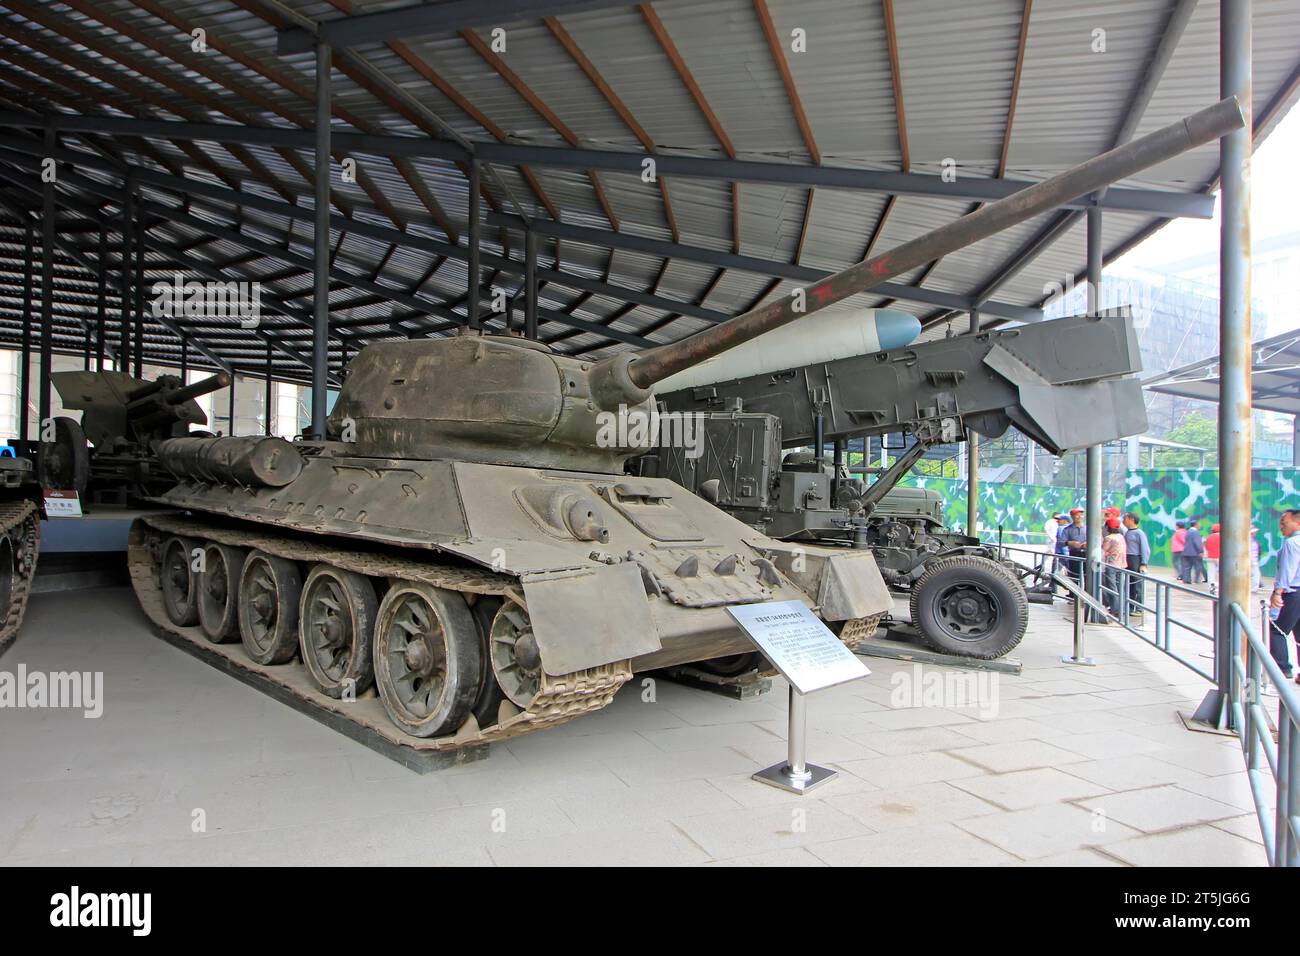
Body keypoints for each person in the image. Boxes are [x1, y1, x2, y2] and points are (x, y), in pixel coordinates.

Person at [1267, 509, 1300, 682]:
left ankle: (1281, 669)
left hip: (1293, 592)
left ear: (1297, 522)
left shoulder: (1292, 543)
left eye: (1284, 523)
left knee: (1277, 630)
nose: (1281, 527)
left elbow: (1288, 570)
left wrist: (1278, 592)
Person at [1123, 512, 1150, 619]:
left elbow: (1145, 549)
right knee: (1130, 584)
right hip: (1128, 559)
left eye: (1125, 518)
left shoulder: (1139, 533)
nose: (1123, 520)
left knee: (1137, 584)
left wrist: (1143, 563)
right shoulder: (1127, 532)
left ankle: (1139, 608)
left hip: (1136, 559)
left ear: (1131, 519)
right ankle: (1130, 606)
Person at [1102, 517, 1127, 616]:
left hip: (1111, 564)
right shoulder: (1121, 536)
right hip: (1122, 565)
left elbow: (1103, 550)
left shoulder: (1109, 538)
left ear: (1108, 527)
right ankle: (1122, 609)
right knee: (1121, 586)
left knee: (1112, 586)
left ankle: (1115, 609)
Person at [1060, 508, 1087, 585]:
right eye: (1077, 515)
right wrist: (1070, 543)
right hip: (1074, 554)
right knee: (1074, 575)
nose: (1079, 516)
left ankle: (1087, 593)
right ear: (1072, 516)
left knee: (1087, 575)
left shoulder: (1087, 528)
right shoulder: (1067, 529)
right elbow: (1060, 543)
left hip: (1086, 554)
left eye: (1081, 514)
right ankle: (1073, 594)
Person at [1184, 519, 1206, 584]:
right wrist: (1200, 551)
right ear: (1196, 525)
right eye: (1198, 524)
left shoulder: (1188, 531)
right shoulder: (1195, 532)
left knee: (1187, 567)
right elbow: (1197, 542)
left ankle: (1187, 580)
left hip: (1186, 552)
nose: (1199, 526)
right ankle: (1196, 580)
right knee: (1198, 566)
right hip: (1194, 552)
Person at [1205, 522, 1222, 594]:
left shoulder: (1209, 537)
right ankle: (1220, 587)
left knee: (1211, 573)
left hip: (1210, 556)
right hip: (1220, 557)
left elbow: (1206, 547)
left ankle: (1211, 586)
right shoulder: (1223, 536)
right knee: (1220, 573)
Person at [1250, 526, 1262, 592]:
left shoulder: (1253, 540)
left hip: (1254, 560)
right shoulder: (1248, 540)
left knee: (1256, 574)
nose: (1255, 533)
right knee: (1255, 575)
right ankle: (1253, 588)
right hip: (1250, 561)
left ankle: (1254, 588)